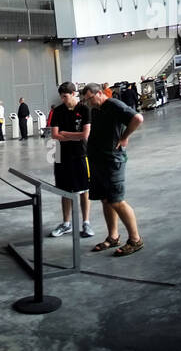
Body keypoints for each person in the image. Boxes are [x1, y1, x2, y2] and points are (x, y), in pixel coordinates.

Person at [81, 82, 144, 256]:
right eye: (86, 100)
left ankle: (135, 240)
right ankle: (113, 236)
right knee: (105, 199)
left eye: (90, 99)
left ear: (99, 93)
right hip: (98, 161)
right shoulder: (96, 109)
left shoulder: (114, 105)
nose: (89, 103)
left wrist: (124, 137)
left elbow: (138, 118)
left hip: (112, 161)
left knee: (116, 200)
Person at [47, 82, 93, 239]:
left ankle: (86, 222)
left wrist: (65, 134)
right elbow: (54, 135)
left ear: (73, 94)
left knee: (84, 189)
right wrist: (73, 135)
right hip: (60, 155)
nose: (63, 99)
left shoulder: (84, 109)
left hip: (80, 154)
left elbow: (85, 135)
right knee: (64, 190)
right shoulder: (57, 111)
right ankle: (66, 224)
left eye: (65, 96)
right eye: (61, 97)